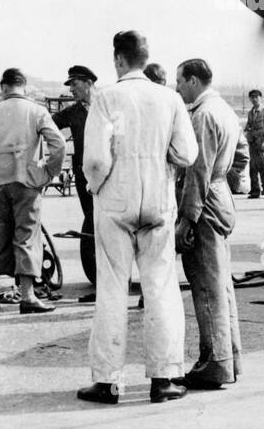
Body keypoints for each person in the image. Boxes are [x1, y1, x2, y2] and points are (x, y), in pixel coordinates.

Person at [78, 30, 197, 405]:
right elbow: (187, 153)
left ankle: (108, 381)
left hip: (115, 200)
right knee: (161, 288)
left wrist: (97, 188)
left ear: (118, 60)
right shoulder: (170, 98)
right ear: (145, 59)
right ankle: (164, 379)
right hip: (159, 202)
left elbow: (96, 159)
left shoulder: (107, 98)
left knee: (111, 290)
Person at [0, 68, 65, 314]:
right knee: (27, 236)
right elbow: (58, 144)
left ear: (3, 87)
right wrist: (48, 172)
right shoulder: (37, 111)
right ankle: (27, 296)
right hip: (27, 183)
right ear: (24, 87)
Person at [175, 59, 243, 389]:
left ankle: (214, 363)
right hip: (221, 195)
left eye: (180, 81)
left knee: (205, 286)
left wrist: (187, 218)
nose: (177, 88)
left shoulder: (202, 115)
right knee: (222, 286)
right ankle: (230, 357)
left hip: (205, 203)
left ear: (192, 81)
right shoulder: (224, 109)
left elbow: (197, 171)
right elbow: (241, 155)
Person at [53, 65, 98, 286]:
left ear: (89, 82)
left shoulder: (107, 106)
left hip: (108, 177)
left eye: (75, 84)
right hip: (83, 178)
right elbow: (47, 124)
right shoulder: (73, 112)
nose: (71, 89)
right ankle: (97, 274)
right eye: (70, 85)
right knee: (91, 221)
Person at [243, 89, 264, 198]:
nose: (254, 99)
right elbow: (248, 126)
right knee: (253, 168)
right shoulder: (250, 113)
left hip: (263, 143)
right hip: (252, 143)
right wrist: (247, 133)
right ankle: (255, 191)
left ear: (261, 98)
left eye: (256, 97)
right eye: (252, 97)